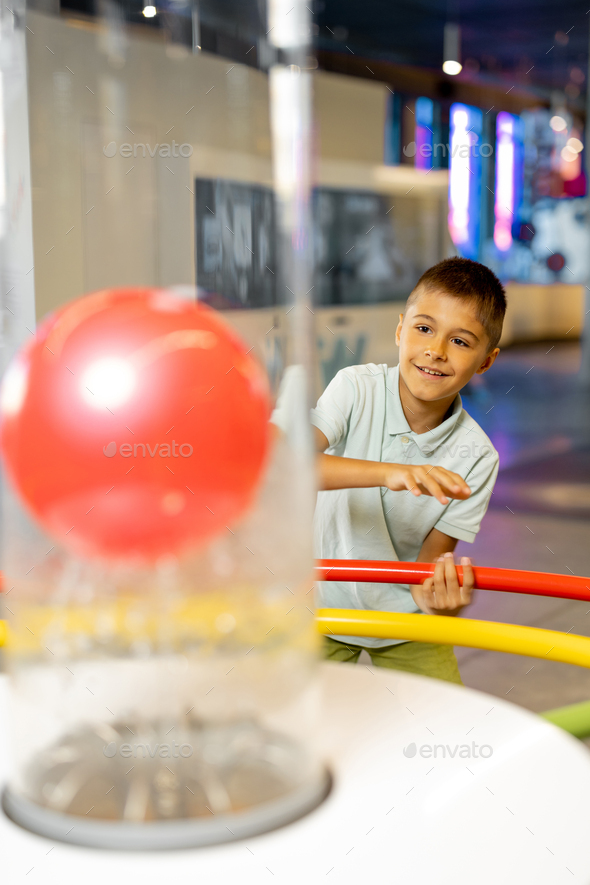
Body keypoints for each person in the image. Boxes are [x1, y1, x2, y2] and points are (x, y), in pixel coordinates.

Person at [313, 257, 506, 684]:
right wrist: (389, 472)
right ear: (401, 329)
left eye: (460, 341)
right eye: (424, 329)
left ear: (486, 361)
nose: (435, 351)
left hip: (405, 619)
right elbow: (290, 468)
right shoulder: (355, 388)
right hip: (318, 605)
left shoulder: (477, 457)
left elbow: (430, 564)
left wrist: (444, 604)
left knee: (442, 731)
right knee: (294, 727)